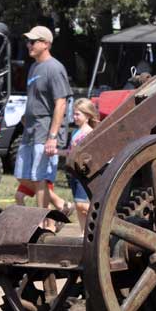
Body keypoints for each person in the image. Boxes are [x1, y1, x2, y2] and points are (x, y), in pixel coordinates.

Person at [15, 25, 73, 228]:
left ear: (46, 44)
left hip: (45, 130)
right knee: (21, 175)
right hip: (30, 129)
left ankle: (40, 224)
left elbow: (61, 103)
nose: (28, 45)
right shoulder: (34, 67)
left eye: (33, 41)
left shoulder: (54, 68)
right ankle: (60, 204)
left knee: (41, 178)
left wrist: (53, 136)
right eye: (28, 41)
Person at [67, 98, 99, 231]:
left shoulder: (90, 132)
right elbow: (70, 152)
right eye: (74, 114)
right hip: (74, 172)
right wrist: (56, 152)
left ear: (87, 116)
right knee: (79, 206)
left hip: (83, 173)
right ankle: (83, 233)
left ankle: (101, 216)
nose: (74, 117)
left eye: (77, 114)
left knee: (81, 204)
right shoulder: (75, 132)